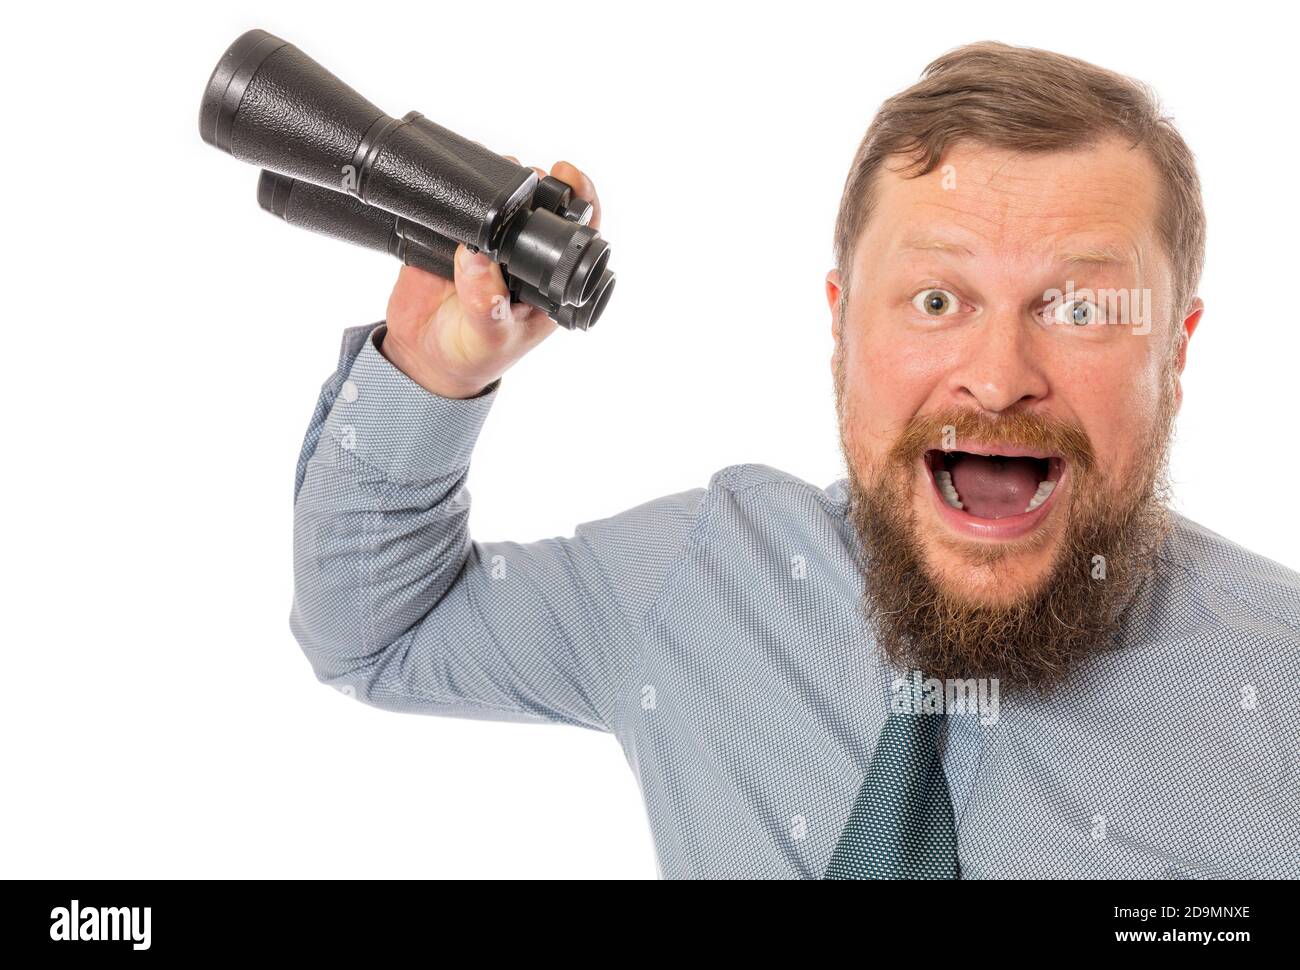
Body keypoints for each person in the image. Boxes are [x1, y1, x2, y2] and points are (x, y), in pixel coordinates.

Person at [289, 41, 1300, 878]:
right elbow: (378, 633)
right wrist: (429, 374)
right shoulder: (700, 576)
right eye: (937, 300)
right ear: (841, 328)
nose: (996, 379)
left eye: (1078, 308)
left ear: (1173, 352)